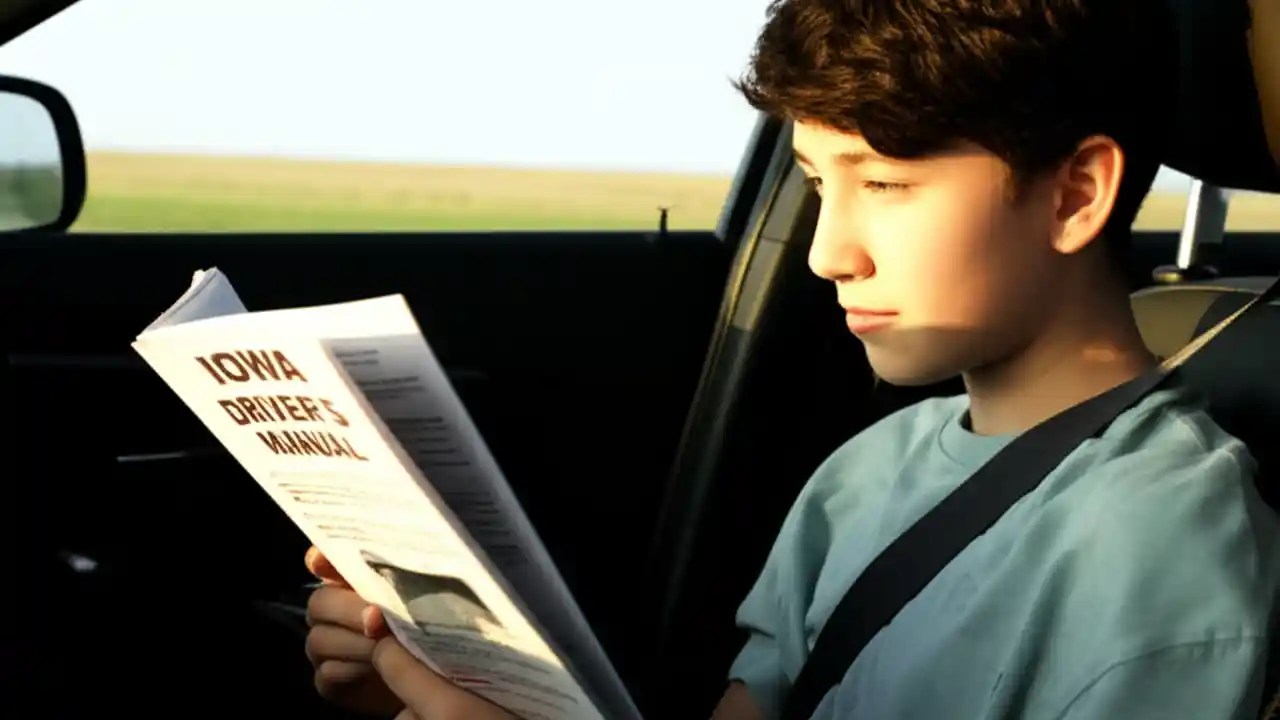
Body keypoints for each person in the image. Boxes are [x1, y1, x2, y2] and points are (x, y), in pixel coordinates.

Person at [303, 1, 1280, 718]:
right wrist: (429, 690)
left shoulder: (1160, 549)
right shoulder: (867, 471)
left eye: (887, 184)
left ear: (1074, 194)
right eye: (817, 181)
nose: (825, 252)